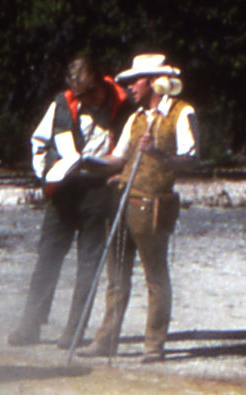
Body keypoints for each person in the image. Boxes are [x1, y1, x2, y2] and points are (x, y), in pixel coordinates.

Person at [88, 53, 200, 364]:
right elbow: (119, 157)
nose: (128, 87)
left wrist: (161, 154)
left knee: (156, 277)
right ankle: (106, 339)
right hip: (123, 202)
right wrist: (89, 165)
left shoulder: (181, 112)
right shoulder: (135, 119)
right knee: (116, 276)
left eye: (134, 81)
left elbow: (191, 158)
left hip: (152, 205)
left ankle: (154, 344)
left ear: (153, 82)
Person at [9, 56, 127, 347]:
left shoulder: (124, 107)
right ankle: (30, 325)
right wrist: (46, 174)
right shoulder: (61, 105)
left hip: (99, 190)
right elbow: (39, 142)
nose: (87, 99)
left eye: (91, 92)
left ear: (102, 79)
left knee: (89, 265)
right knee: (47, 259)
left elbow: (131, 149)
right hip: (63, 190)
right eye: (81, 94)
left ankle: (73, 331)